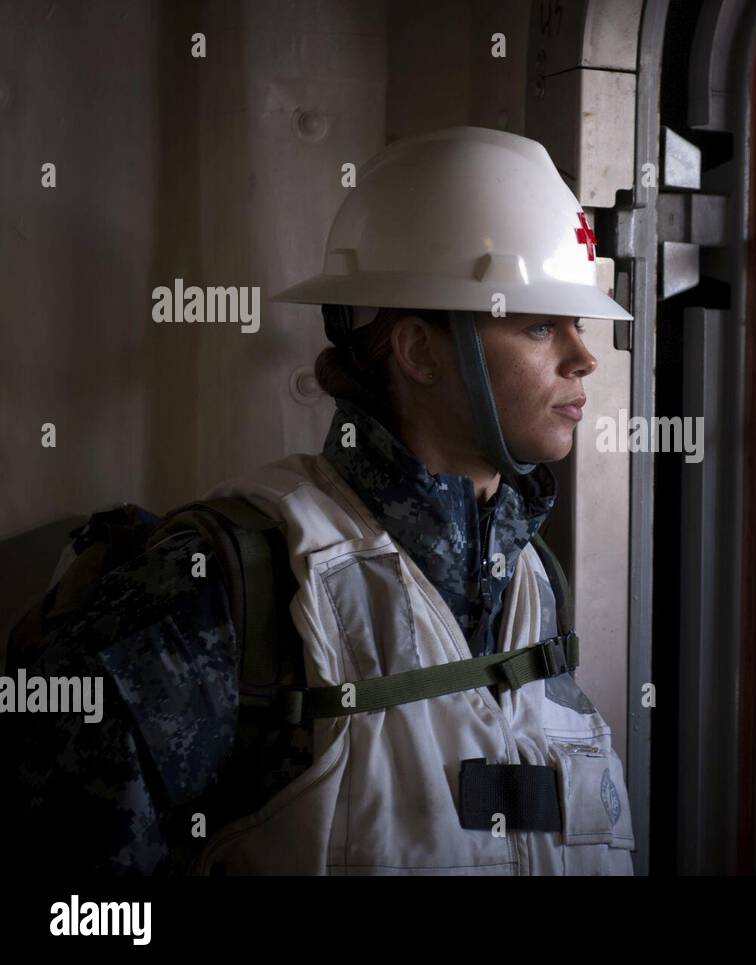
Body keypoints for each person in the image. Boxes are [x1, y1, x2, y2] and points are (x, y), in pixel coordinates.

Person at [3, 126, 636, 875]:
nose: (584, 355)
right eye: (538, 325)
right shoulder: (227, 586)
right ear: (420, 351)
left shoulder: (535, 583)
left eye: (579, 323)